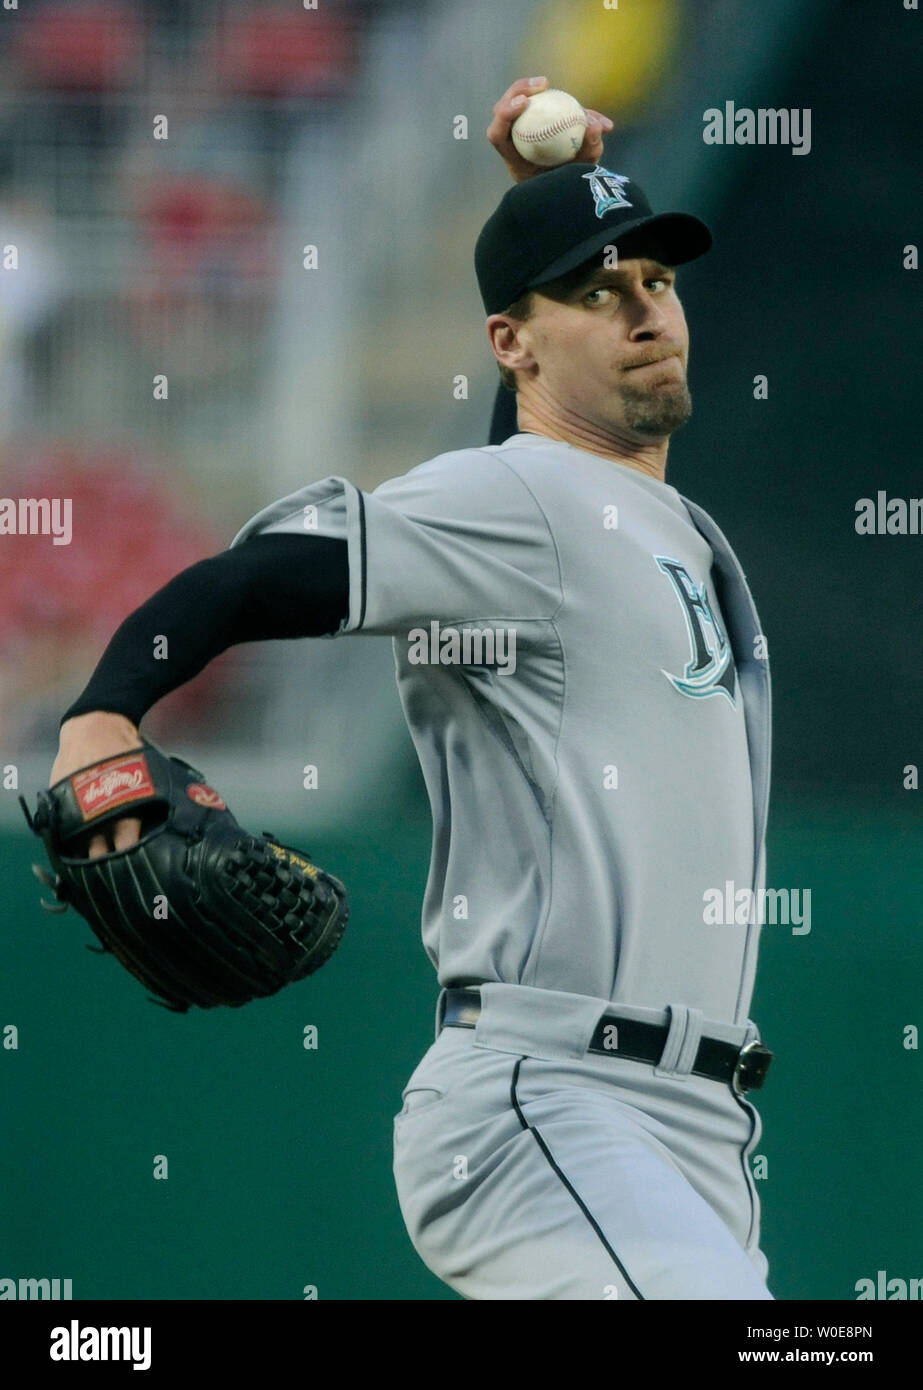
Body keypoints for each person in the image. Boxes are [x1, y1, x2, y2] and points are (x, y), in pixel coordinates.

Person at [49, 79, 774, 1300]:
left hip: (699, 1136)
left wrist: (540, 218)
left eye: (654, 278)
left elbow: (538, 494)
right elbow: (256, 580)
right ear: (512, 341)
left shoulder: (639, 519)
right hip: (551, 1103)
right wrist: (102, 714)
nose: (646, 308)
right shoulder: (521, 498)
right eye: (598, 291)